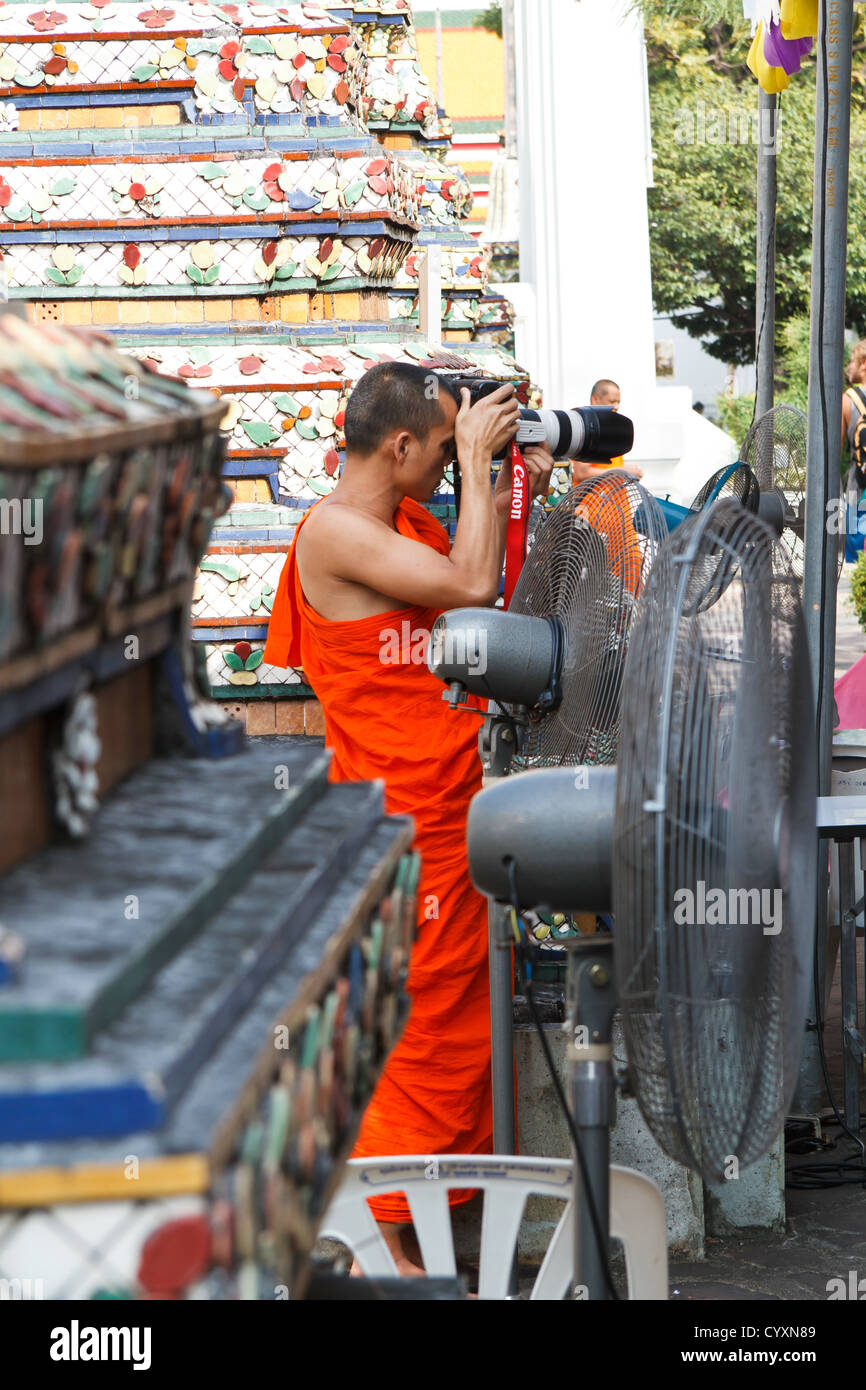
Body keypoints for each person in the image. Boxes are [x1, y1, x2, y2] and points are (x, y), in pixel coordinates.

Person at [263, 364, 554, 1276]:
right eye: (438, 449)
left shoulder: (406, 523)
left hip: (457, 808)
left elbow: (486, 602)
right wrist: (476, 460)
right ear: (399, 446)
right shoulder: (336, 533)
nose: (442, 467)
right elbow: (468, 585)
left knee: (459, 1038)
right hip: (402, 823)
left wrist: (502, 483)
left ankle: (427, 1253)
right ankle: (389, 1268)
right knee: (413, 1039)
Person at [576, 377, 643, 482]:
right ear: (595, 400)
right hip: (593, 497)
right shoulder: (586, 427)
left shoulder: (611, 428)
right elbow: (581, 473)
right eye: (612, 401)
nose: (616, 407)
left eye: (618, 402)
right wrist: (623, 471)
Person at [842, 340, 866, 503]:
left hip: (857, 496)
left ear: (864, 363)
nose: (848, 367)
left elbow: (830, 457)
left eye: (851, 362)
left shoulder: (847, 400)